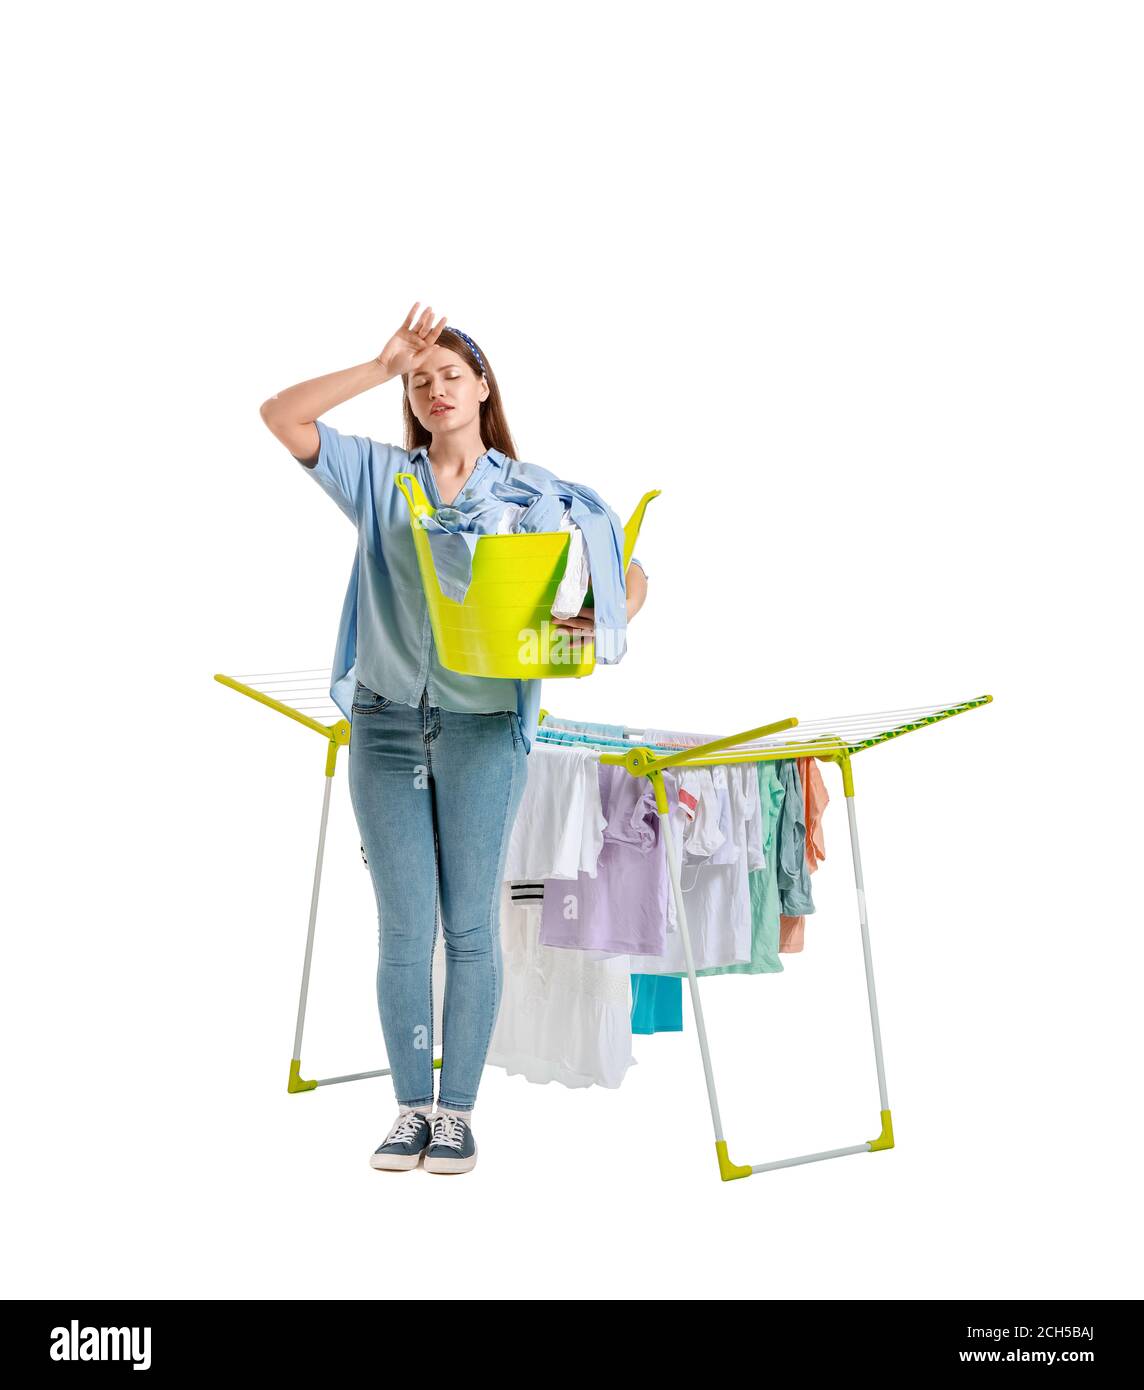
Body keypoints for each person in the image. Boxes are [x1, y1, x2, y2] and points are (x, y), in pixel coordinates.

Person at [260, 303, 649, 1175]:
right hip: (386, 726)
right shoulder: (378, 477)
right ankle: (408, 1109)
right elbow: (281, 416)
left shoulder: (535, 493)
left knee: (469, 927)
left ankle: (457, 1112)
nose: (434, 389)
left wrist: (591, 616)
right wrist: (377, 363)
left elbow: (630, 576)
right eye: (418, 379)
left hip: (483, 731)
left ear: (483, 387)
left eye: (449, 374)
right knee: (405, 931)